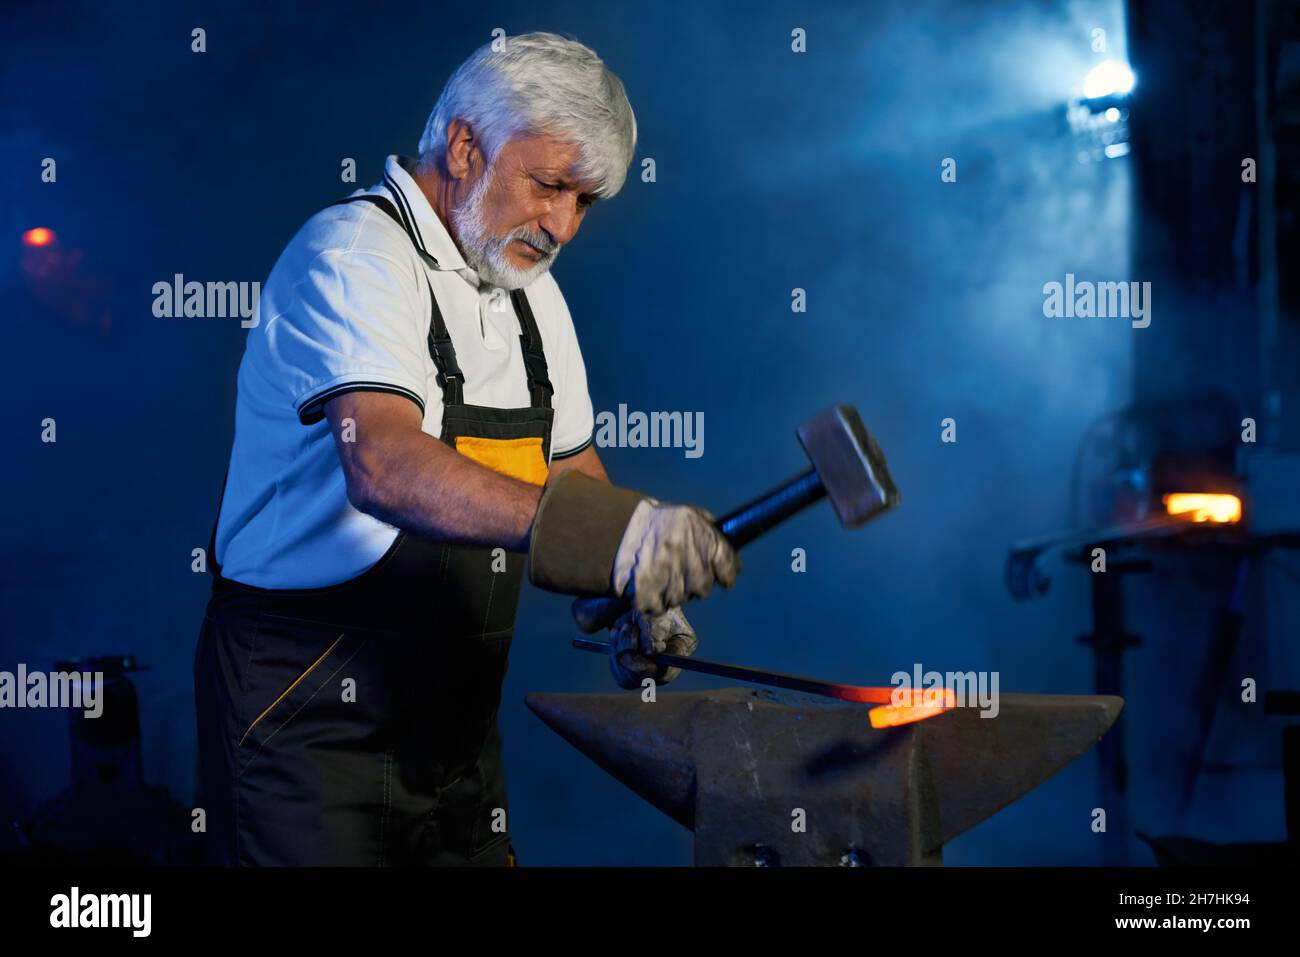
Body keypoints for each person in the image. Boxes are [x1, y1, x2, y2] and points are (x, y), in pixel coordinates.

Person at [193, 32, 739, 867]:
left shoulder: (531, 298)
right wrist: (613, 537)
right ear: (462, 146)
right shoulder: (351, 258)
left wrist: (637, 577)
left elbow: (569, 472)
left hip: (453, 736)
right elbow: (380, 461)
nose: (561, 224)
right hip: (304, 724)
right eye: (549, 185)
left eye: (584, 201)